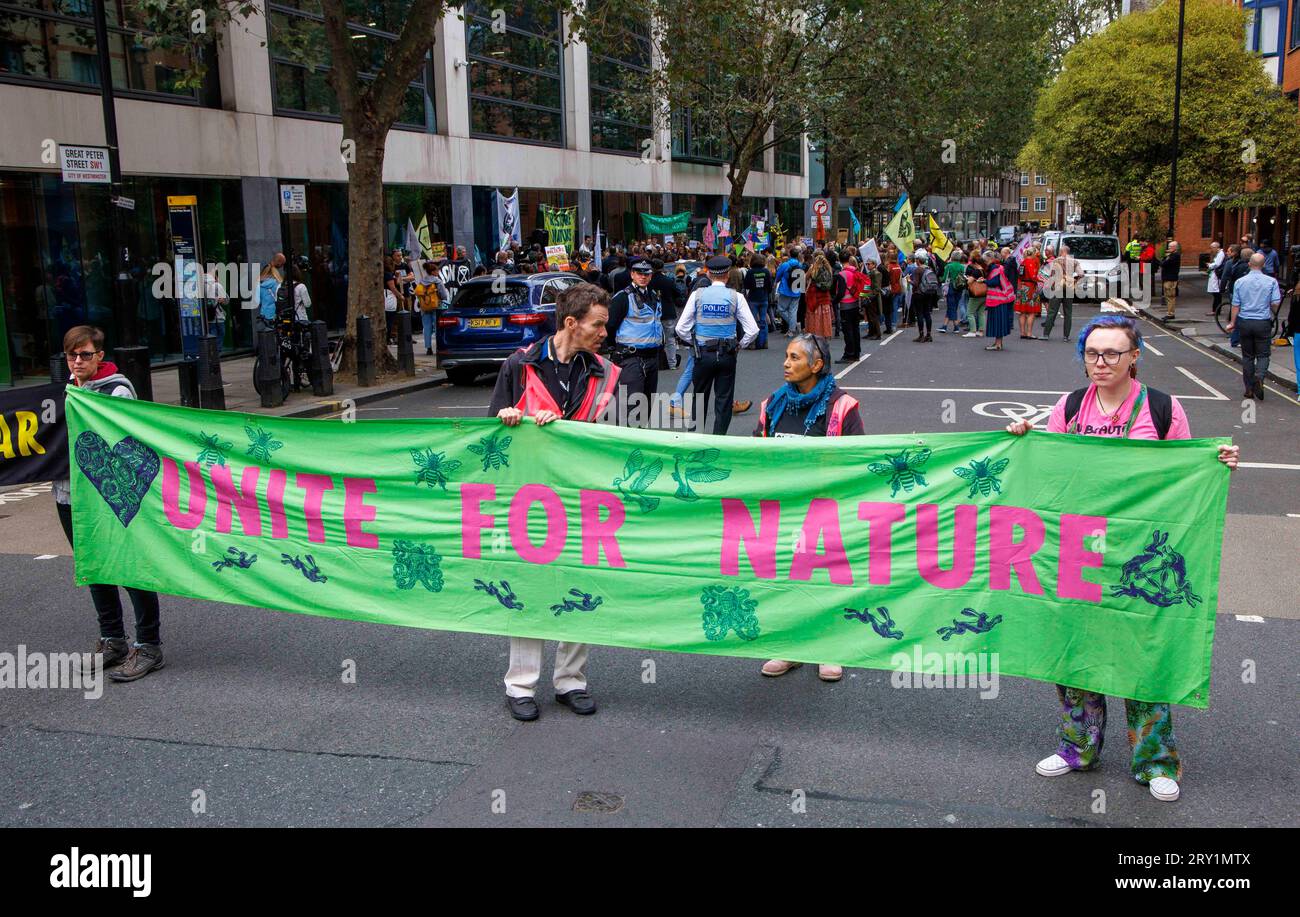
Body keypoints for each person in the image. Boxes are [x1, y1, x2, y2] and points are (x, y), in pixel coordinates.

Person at [1006, 315, 1239, 803]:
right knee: (1073, 657)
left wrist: (1213, 464)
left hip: (1140, 559)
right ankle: (1077, 748)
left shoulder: (1162, 408)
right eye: (1092, 353)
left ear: (1135, 356)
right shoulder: (1068, 408)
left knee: (1145, 657)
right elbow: (1047, 475)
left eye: (1113, 353)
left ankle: (1155, 760)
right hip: (1078, 553)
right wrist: (1024, 442)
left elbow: (1181, 475)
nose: (1101, 363)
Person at [488, 283, 622, 721]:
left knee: (577, 587)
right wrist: (514, 420)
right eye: (598, 324)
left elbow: (614, 441)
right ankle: (521, 685)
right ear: (571, 323)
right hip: (528, 499)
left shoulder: (605, 372)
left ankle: (570, 681)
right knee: (528, 588)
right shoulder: (518, 365)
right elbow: (489, 442)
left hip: (583, 498)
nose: (605, 332)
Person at [54, 325, 165, 682]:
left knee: (129, 566)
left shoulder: (116, 390)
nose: (77, 361)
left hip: (109, 499)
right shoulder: (67, 389)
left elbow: (126, 441)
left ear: (99, 355)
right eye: (72, 355)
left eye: (85, 354)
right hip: (69, 495)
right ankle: (112, 639)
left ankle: (148, 645)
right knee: (94, 566)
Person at [754, 333, 865, 683]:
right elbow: (754, 451)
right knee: (786, 577)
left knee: (823, 577)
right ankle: (791, 645)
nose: (786, 363)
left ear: (817, 366)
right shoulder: (772, 403)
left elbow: (860, 461)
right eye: (786, 356)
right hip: (783, 509)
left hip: (826, 511)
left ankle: (828, 648)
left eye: (795, 358)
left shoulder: (843, 406)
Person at [675, 255, 759, 435]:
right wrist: (739, 345)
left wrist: (695, 343)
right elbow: (752, 330)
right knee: (724, 400)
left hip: (703, 353)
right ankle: (718, 440)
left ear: (709, 274)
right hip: (727, 353)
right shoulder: (736, 297)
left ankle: (694, 440)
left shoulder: (697, 296)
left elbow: (681, 328)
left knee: (699, 398)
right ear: (727, 275)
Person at [605, 257, 664, 419]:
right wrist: (614, 348)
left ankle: (642, 440)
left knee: (647, 405)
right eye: (639, 273)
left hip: (652, 358)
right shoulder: (623, 298)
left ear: (651, 276)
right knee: (632, 406)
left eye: (646, 274)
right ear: (632, 275)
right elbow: (610, 326)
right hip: (631, 358)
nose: (643, 277)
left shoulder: (653, 296)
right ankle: (628, 442)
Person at [1225, 252, 1282, 400]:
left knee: (1248, 356)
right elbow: (1275, 303)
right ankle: (1259, 376)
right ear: (1263, 265)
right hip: (1262, 322)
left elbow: (1235, 304)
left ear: (1249, 264)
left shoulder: (1240, 282)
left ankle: (1249, 389)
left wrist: (1232, 322)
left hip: (1244, 321)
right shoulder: (1271, 282)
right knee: (1263, 355)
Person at [1042, 243, 1081, 341]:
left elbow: (1049, 274)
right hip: (1069, 287)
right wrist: (1075, 280)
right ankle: (1066, 336)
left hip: (1057, 287)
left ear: (1062, 251)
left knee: (1052, 311)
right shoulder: (1074, 261)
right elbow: (1081, 273)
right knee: (1068, 313)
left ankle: (1046, 334)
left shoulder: (1056, 261)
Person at [415, 261, 449, 355]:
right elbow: (443, 295)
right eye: (437, 271)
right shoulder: (437, 281)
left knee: (427, 327)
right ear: (433, 272)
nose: (438, 272)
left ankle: (428, 348)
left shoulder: (421, 281)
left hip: (425, 307)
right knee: (437, 327)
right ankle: (438, 346)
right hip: (436, 306)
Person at [983, 250, 1014, 351]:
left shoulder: (994, 268)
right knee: (1000, 322)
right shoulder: (1000, 267)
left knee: (997, 322)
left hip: (997, 299)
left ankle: (998, 344)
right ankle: (998, 343)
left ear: (990, 259)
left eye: (986, 260)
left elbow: (994, 282)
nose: (985, 262)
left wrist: (984, 281)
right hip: (1002, 298)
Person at [743, 251, 772, 349]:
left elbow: (746, 285)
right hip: (764, 298)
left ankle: (753, 343)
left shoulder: (750, 272)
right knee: (763, 321)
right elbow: (770, 286)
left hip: (753, 299)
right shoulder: (766, 271)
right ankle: (764, 342)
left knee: (753, 321)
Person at [803, 251, 835, 339]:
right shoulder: (828, 267)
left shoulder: (813, 267)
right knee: (824, 316)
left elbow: (805, 277)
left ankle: (815, 333)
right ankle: (825, 333)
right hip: (825, 295)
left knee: (814, 315)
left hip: (814, 295)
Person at [909, 252, 938, 343]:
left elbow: (916, 284)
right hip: (928, 292)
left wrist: (909, 280)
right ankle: (929, 335)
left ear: (918, 261)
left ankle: (921, 335)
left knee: (920, 314)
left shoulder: (917, 270)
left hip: (919, 294)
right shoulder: (929, 268)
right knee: (927, 313)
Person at [774, 247, 802, 336]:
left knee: (781, 309)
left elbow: (778, 276)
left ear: (789, 255)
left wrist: (775, 283)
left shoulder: (785, 265)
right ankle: (792, 329)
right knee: (793, 310)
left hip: (786, 290)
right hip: (797, 290)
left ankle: (792, 326)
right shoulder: (800, 265)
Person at [1014, 244, 1041, 339]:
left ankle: (1022, 333)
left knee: (1022, 312)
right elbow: (1033, 276)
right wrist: (1042, 280)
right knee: (1031, 312)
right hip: (1030, 287)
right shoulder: (1030, 262)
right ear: (1033, 253)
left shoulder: (1023, 262)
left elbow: (1020, 275)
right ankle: (1029, 333)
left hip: (1022, 286)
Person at [940, 251, 967, 334]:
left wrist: (940, 279)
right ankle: (944, 326)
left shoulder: (949, 266)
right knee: (953, 306)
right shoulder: (962, 266)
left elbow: (944, 278)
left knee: (951, 306)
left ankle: (956, 327)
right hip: (960, 287)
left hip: (951, 287)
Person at [963, 253, 988, 337]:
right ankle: (980, 331)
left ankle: (972, 331)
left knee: (970, 313)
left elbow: (970, 281)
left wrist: (967, 279)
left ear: (976, 263)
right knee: (981, 313)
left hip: (975, 294)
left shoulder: (976, 271)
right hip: (984, 293)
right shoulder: (985, 270)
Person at [1159, 240, 1181, 320]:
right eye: (1168, 247)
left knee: (1170, 297)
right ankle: (1169, 313)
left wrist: (1164, 259)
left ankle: (1170, 314)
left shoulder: (1175, 256)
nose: (1168, 248)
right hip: (1168, 278)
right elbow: (1163, 261)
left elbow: (1163, 263)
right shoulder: (1171, 255)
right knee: (1168, 297)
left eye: (1170, 247)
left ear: (1175, 247)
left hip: (1170, 279)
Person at [1205, 241, 1224, 318]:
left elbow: (1217, 264)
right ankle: (1215, 310)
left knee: (1216, 294)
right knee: (1215, 294)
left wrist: (1210, 265)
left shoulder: (1220, 254)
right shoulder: (1218, 254)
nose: (1211, 250)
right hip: (1214, 275)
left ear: (1216, 247)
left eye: (1212, 248)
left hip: (1216, 276)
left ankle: (1216, 310)